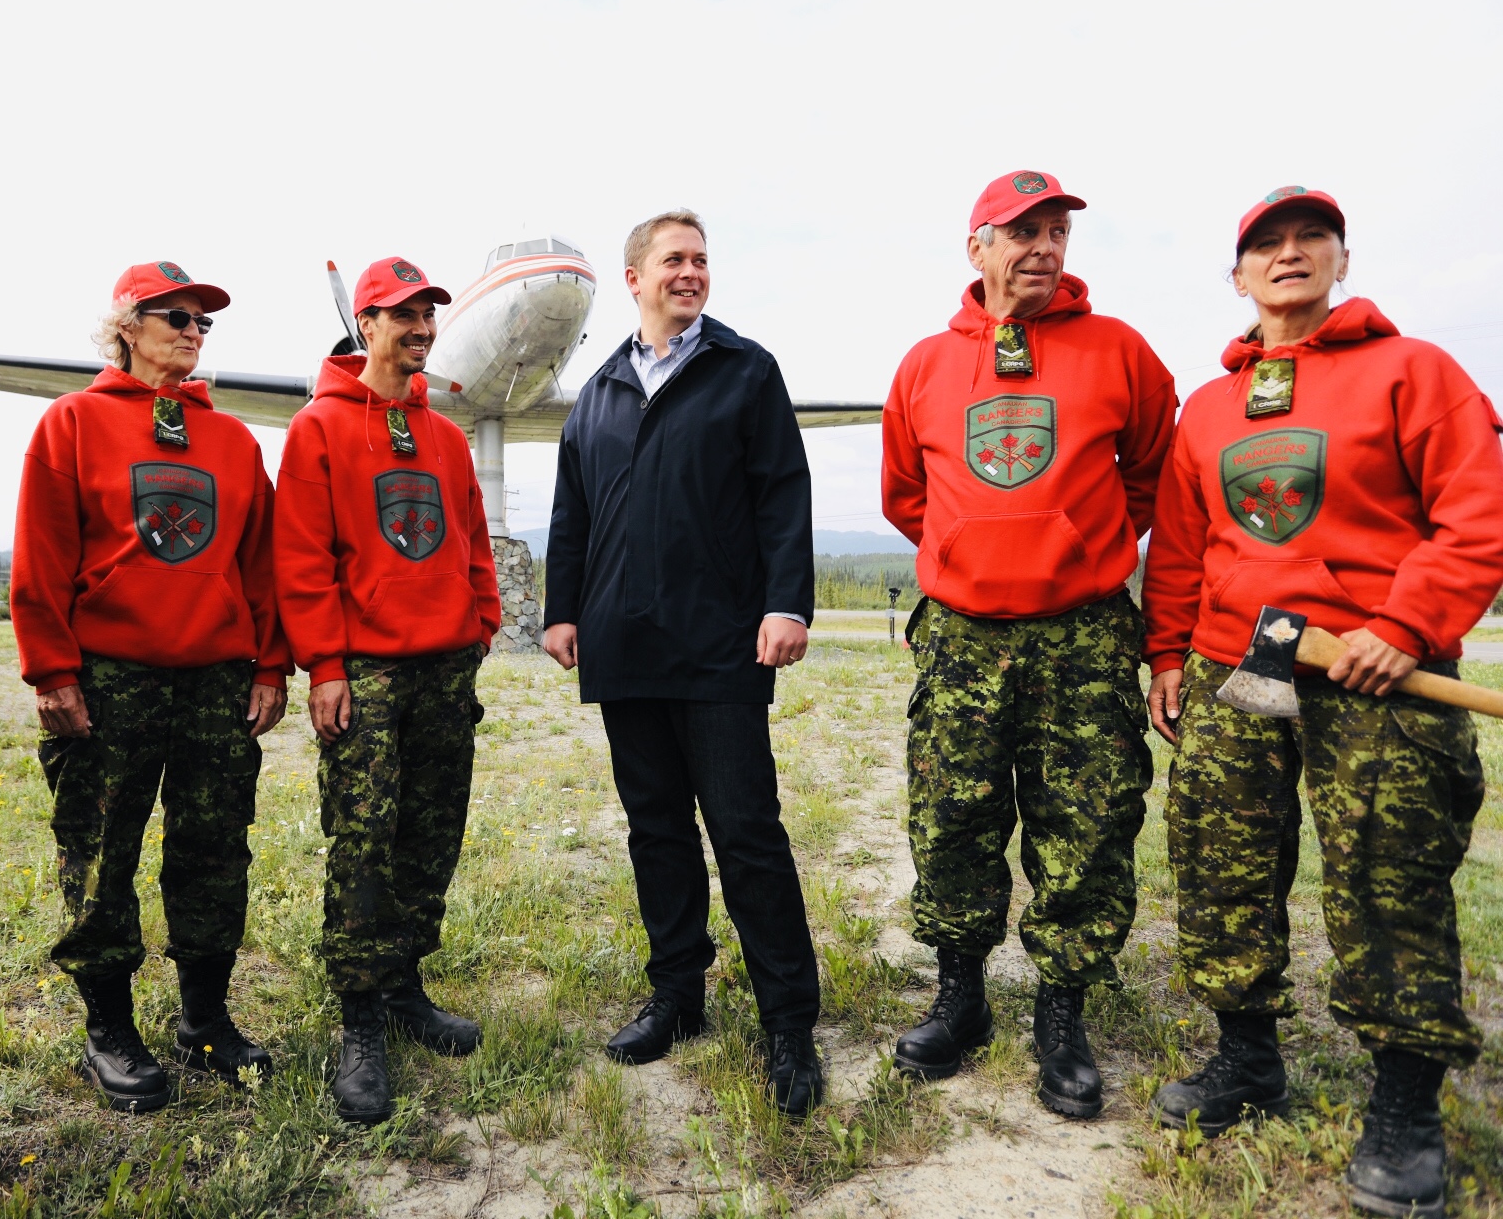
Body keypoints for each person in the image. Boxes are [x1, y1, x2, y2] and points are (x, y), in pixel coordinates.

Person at [1143, 187, 1503, 1218]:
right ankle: (1246, 1058)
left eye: (1310, 239)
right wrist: (1168, 650)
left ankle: (1403, 1104)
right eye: (1266, 244)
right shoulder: (1209, 410)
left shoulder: (1415, 372)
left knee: (1390, 883)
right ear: (1239, 274)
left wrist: (1405, 624)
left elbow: (1476, 513)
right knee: (1221, 865)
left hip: (1376, 673)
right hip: (1235, 667)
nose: (1289, 254)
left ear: (1343, 260)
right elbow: (1180, 543)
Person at [879, 171, 1176, 1119]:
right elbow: (905, 494)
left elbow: (1152, 479)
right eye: (1021, 231)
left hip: (1082, 635)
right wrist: (974, 552)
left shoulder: (1120, 352)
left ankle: (1063, 1014)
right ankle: (960, 998)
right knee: (953, 816)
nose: (1042, 247)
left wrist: (1079, 545)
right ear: (978, 248)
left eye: (1055, 231)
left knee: (1085, 825)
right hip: (964, 637)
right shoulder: (926, 364)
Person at [542, 210, 825, 1118]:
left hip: (719, 647)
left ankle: (787, 1022)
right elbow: (572, 513)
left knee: (746, 834)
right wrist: (560, 611)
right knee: (655, 830)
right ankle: (678, 995)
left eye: (701, 260)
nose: (691, 273)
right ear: (636, 278)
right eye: (674, 260)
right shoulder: (600, 391)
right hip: (625, 650)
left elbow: (783, 494)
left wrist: (786, 602)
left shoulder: (745, 371)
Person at [12, 261, 292, 1112]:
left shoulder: (235, 442)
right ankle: (109, 1028)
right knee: (101, 854)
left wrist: (272, 664)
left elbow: (261, 567)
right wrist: (51, 669)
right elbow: (42, 554)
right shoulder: (71, 425)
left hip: (215, 677)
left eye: (203, 321)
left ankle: (205, 1019)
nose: (193, 331)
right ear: (126, 325)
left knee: (213, 848)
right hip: (109, 677)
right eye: (174, 315)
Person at [273, 256, 502, 1125]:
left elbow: (472, 537)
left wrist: (481, 620)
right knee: (363, 842)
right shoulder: (318, 428)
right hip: (365, 672)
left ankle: (406, 985)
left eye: (427, 315)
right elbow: (301, 559)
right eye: (402, 315)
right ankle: (361, 1019)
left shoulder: (442, 434)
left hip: (446, 668)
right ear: (366, 324)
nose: (420, 329)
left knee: (432, 830)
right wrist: (325, 667)